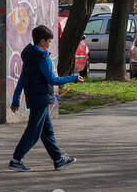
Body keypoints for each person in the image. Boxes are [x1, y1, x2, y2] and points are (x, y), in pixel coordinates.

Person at [8, 23, 82, 171]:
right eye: (49, 41)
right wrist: (73, 78)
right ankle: (16, 159)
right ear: (42, 41)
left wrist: (15, 100)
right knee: (33, 132)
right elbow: (52, 80)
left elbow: (22, 80)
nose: (49, 44)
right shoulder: (43, 58)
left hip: (34, 98)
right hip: (41, 99)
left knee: (47, 131)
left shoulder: (29, 57)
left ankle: (58, 160)